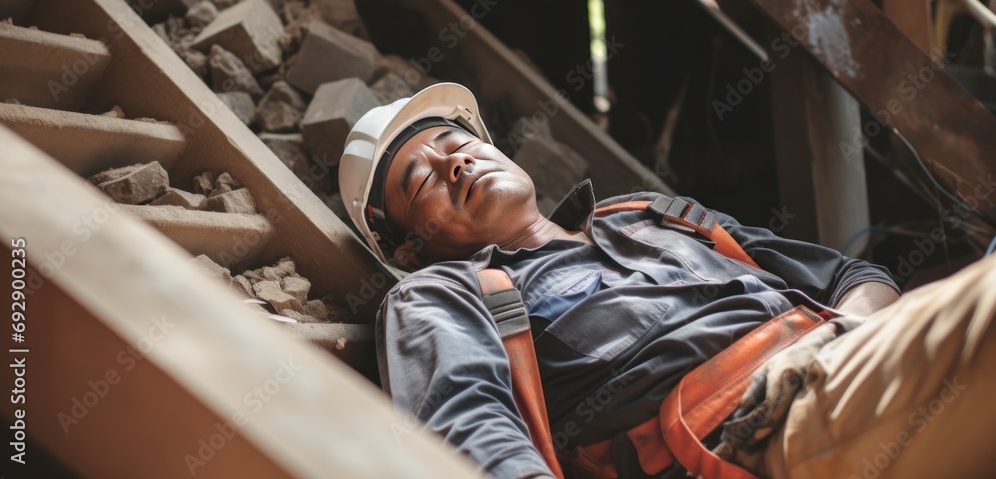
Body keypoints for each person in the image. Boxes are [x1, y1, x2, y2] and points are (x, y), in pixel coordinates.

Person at [338, 82, 996, 479]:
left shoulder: (649, 214)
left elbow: (849, 275)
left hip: (846, 371)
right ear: (406, 245)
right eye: (420, 177)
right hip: (749, 437)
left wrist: (851, 333)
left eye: (456, 143)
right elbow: (467, 427)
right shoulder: (437, 294)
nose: (453, 164)